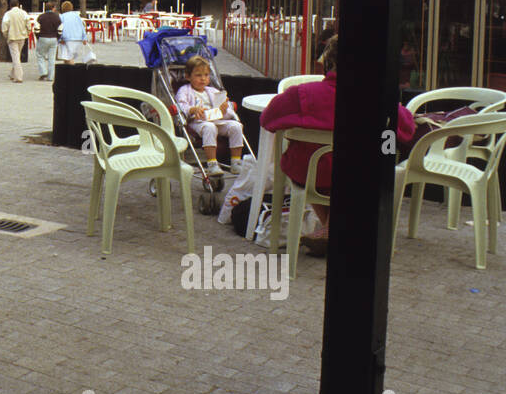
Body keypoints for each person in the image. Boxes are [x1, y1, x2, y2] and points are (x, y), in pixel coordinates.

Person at [261, 36, 415, 256]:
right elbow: (407, 129)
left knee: (316, 163)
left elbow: (267, 120)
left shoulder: (301, 94)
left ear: (329, 61)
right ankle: (336, 231)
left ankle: (330, 230)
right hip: (360, 177)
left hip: (312, 175)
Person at [174, 56, 244, 176]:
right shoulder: (184, 90)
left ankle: (236, 162)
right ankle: (212, 163)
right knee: (210, 127)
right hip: (197, 122)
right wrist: (192, 109)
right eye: (198, 75)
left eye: (206, 75)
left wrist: (224, 109)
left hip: (216, 119)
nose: (203, 78)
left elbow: (227, 112)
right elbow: (181, 106)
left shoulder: (212, 91)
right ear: (188, 76)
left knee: (236, 126)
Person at [0, 0, 31, 83]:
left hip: (12, 37)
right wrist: (27, 33)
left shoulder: (8, 14)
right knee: (17, 56)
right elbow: (28, 24)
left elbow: (4, 27)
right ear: (18, 4)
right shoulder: (24, 13)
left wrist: (6, 35)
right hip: (22, 37)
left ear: (10, 5)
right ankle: (12, 74)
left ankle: (18, 77)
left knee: (15, 57)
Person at [58, 0, 91, 64]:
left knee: (67, 57)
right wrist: (84, 38)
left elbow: (60, 28)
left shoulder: (62, 16)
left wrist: (59, 39)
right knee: (68, 58)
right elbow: (82, 27)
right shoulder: (77, 16)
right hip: (77, 38)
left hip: (66, 39)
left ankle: (71, 69)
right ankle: (68, 69)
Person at [34, 1, 61, 81]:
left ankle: (43, 72)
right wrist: (57, 37)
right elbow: (60, 29)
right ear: (53, 8)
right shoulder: (57, 17)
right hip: (53, 38)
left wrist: (38, 37)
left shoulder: (41, 17)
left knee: (40, 55)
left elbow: (36, 28)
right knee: (52, 58)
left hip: (43, 37)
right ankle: (51, 76)